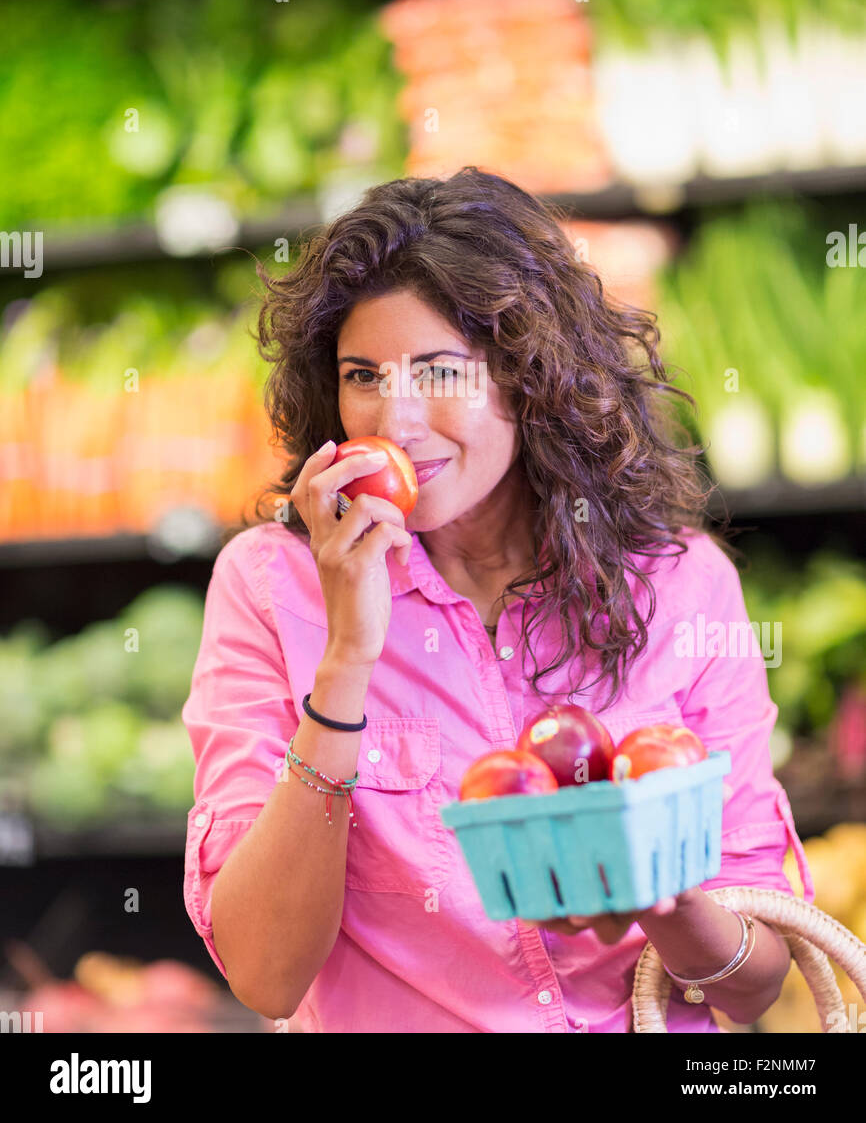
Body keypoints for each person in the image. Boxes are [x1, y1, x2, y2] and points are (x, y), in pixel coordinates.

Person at [181, 166, 813, 1033]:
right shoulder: (270, 585)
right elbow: (263, 974)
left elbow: (755, 987)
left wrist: (660, 896)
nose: (393, 423)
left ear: (529, 374)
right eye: (362, 374)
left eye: (440, 372)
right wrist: (347, 660)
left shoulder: (681, 583)